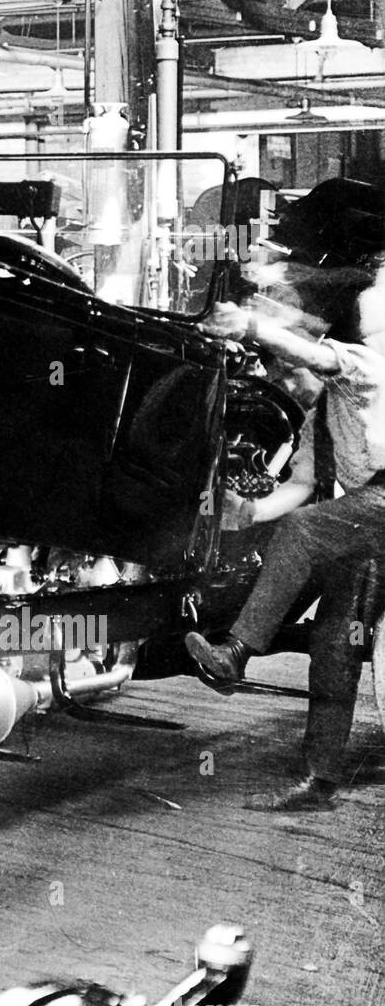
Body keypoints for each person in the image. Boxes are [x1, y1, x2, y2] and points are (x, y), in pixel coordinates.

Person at [186, 252, 385, 811]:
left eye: (286, 369)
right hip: (367, 523)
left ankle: (236, 654)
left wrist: (251, 325)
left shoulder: (366, 365)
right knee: (333, 645)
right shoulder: (319, 419)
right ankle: (319, 782)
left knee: (303, 531)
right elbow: (298, 486)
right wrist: (244, 513)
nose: (282, 379)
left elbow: (312, 355)